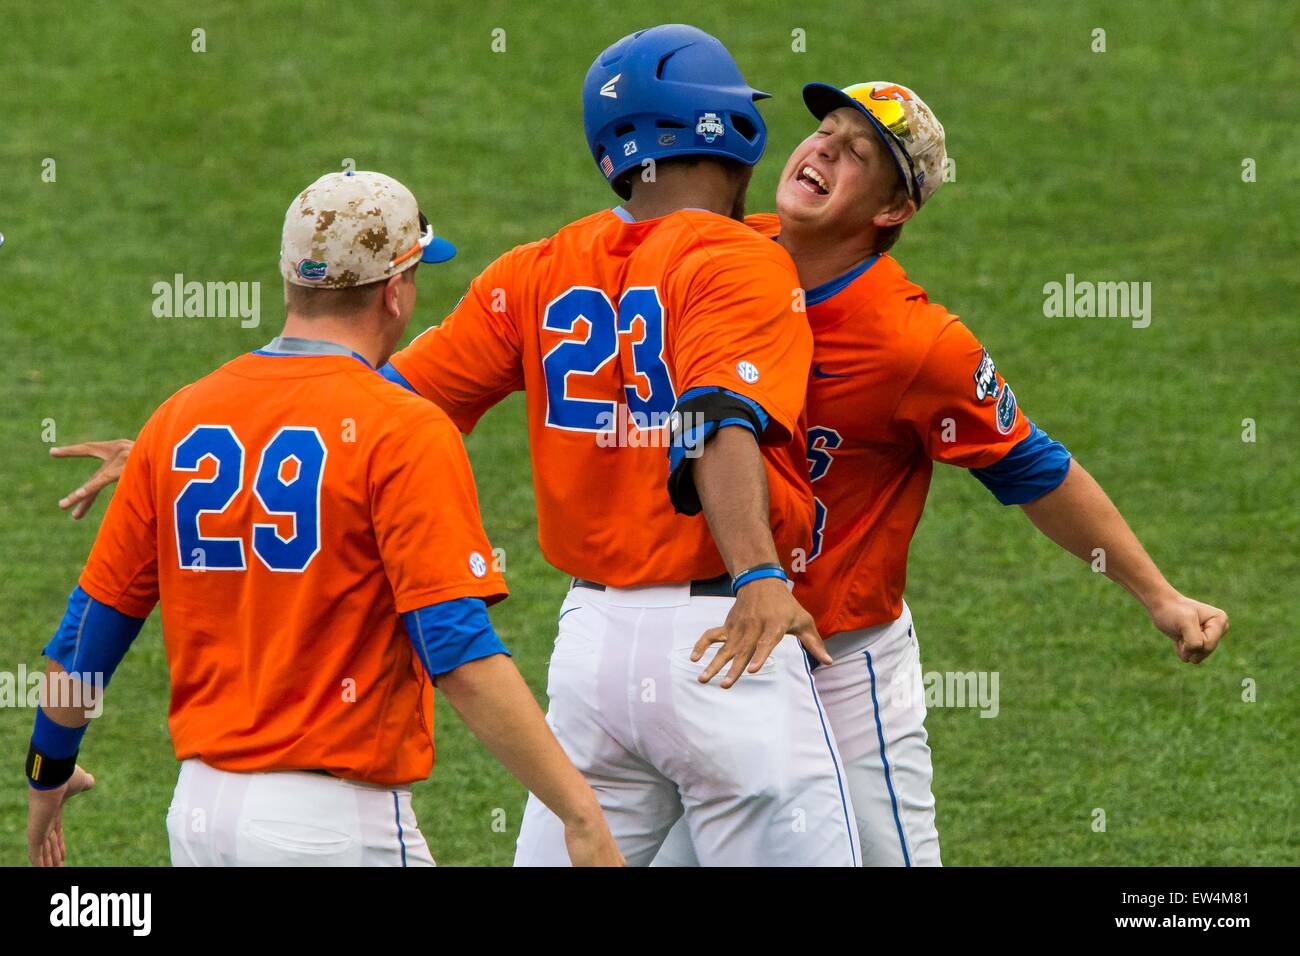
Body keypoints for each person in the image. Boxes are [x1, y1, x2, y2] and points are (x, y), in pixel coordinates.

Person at [48, 26, 861, 868]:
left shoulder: (537, 270)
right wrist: (761, 575)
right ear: (727, 127)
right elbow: (711, 421)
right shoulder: (746, 260)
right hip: (723, 632)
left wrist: (170, 442)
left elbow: (362, 394)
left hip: (590, 655)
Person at [652, 81, 1229, 867]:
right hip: (718, 639)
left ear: (893, 212)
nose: (823, 149)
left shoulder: (915, 344)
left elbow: (1036, 470)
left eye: (859, 153)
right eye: (825, 130)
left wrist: (1159, 596)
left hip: (843, 666)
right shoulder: (717, 255)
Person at [27, 170, 622, 867]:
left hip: (197, 817)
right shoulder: (403, 427)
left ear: (289, 284)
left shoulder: (178, 418)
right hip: (332, 828)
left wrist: (49, 768)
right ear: (396, 290)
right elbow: (456, 648)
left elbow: (86, 634)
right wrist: (579, 814)